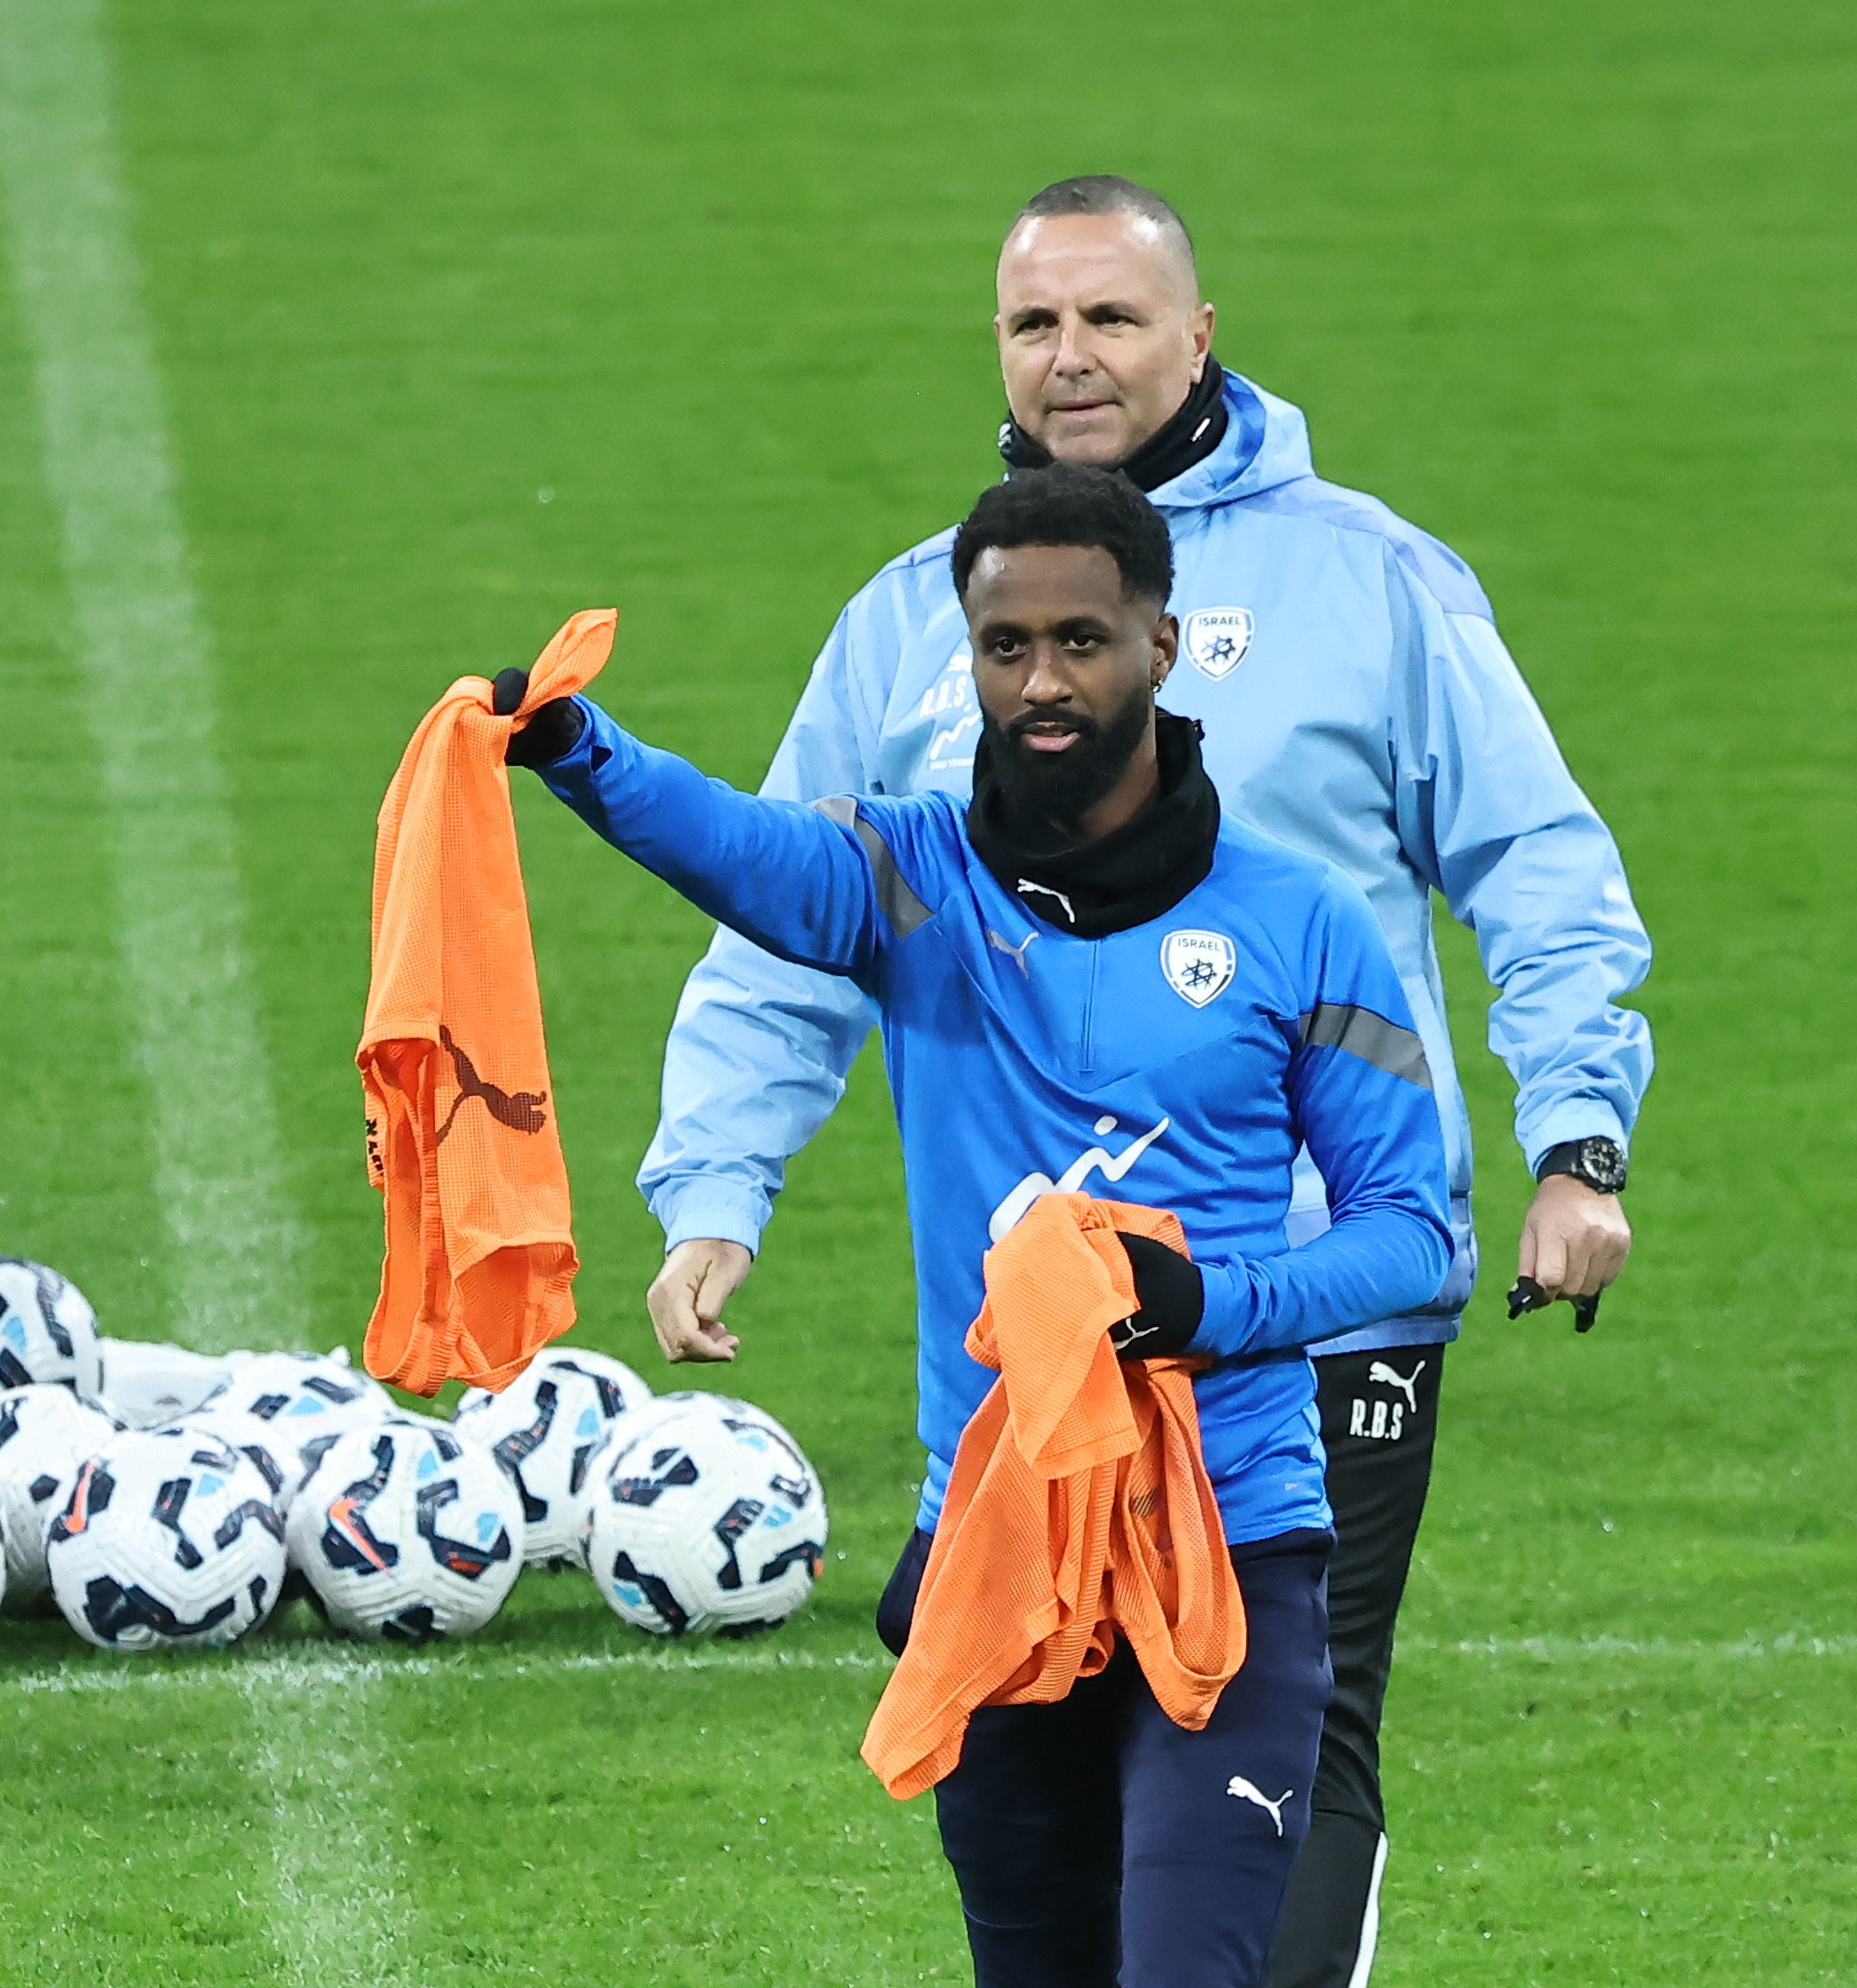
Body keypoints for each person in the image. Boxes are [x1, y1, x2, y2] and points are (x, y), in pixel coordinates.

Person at [638, 176, 1652, 1984]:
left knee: (1283, 1746)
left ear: (1200, 335)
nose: (1074, 356)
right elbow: (801, 906)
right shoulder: (918, 621)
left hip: (1309, 1307)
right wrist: (720, 1182)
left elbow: (1541, 869)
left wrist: (1578, 1139)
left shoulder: (1373, 584)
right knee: (1066, 1784)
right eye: (1037, 323)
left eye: (1113, 317)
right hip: (1036, 1349)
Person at [500, 464, 1452, 1986]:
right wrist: (572, 748)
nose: (1043, 680)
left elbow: (1419, 1236)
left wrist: (1216, 1303)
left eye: (1082, 640)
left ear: (1165, 639)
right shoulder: (908, 879)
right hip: (999, 1552)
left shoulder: (1299, 922)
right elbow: (744, 850)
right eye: (1006, 646)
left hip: (1230, 1537)